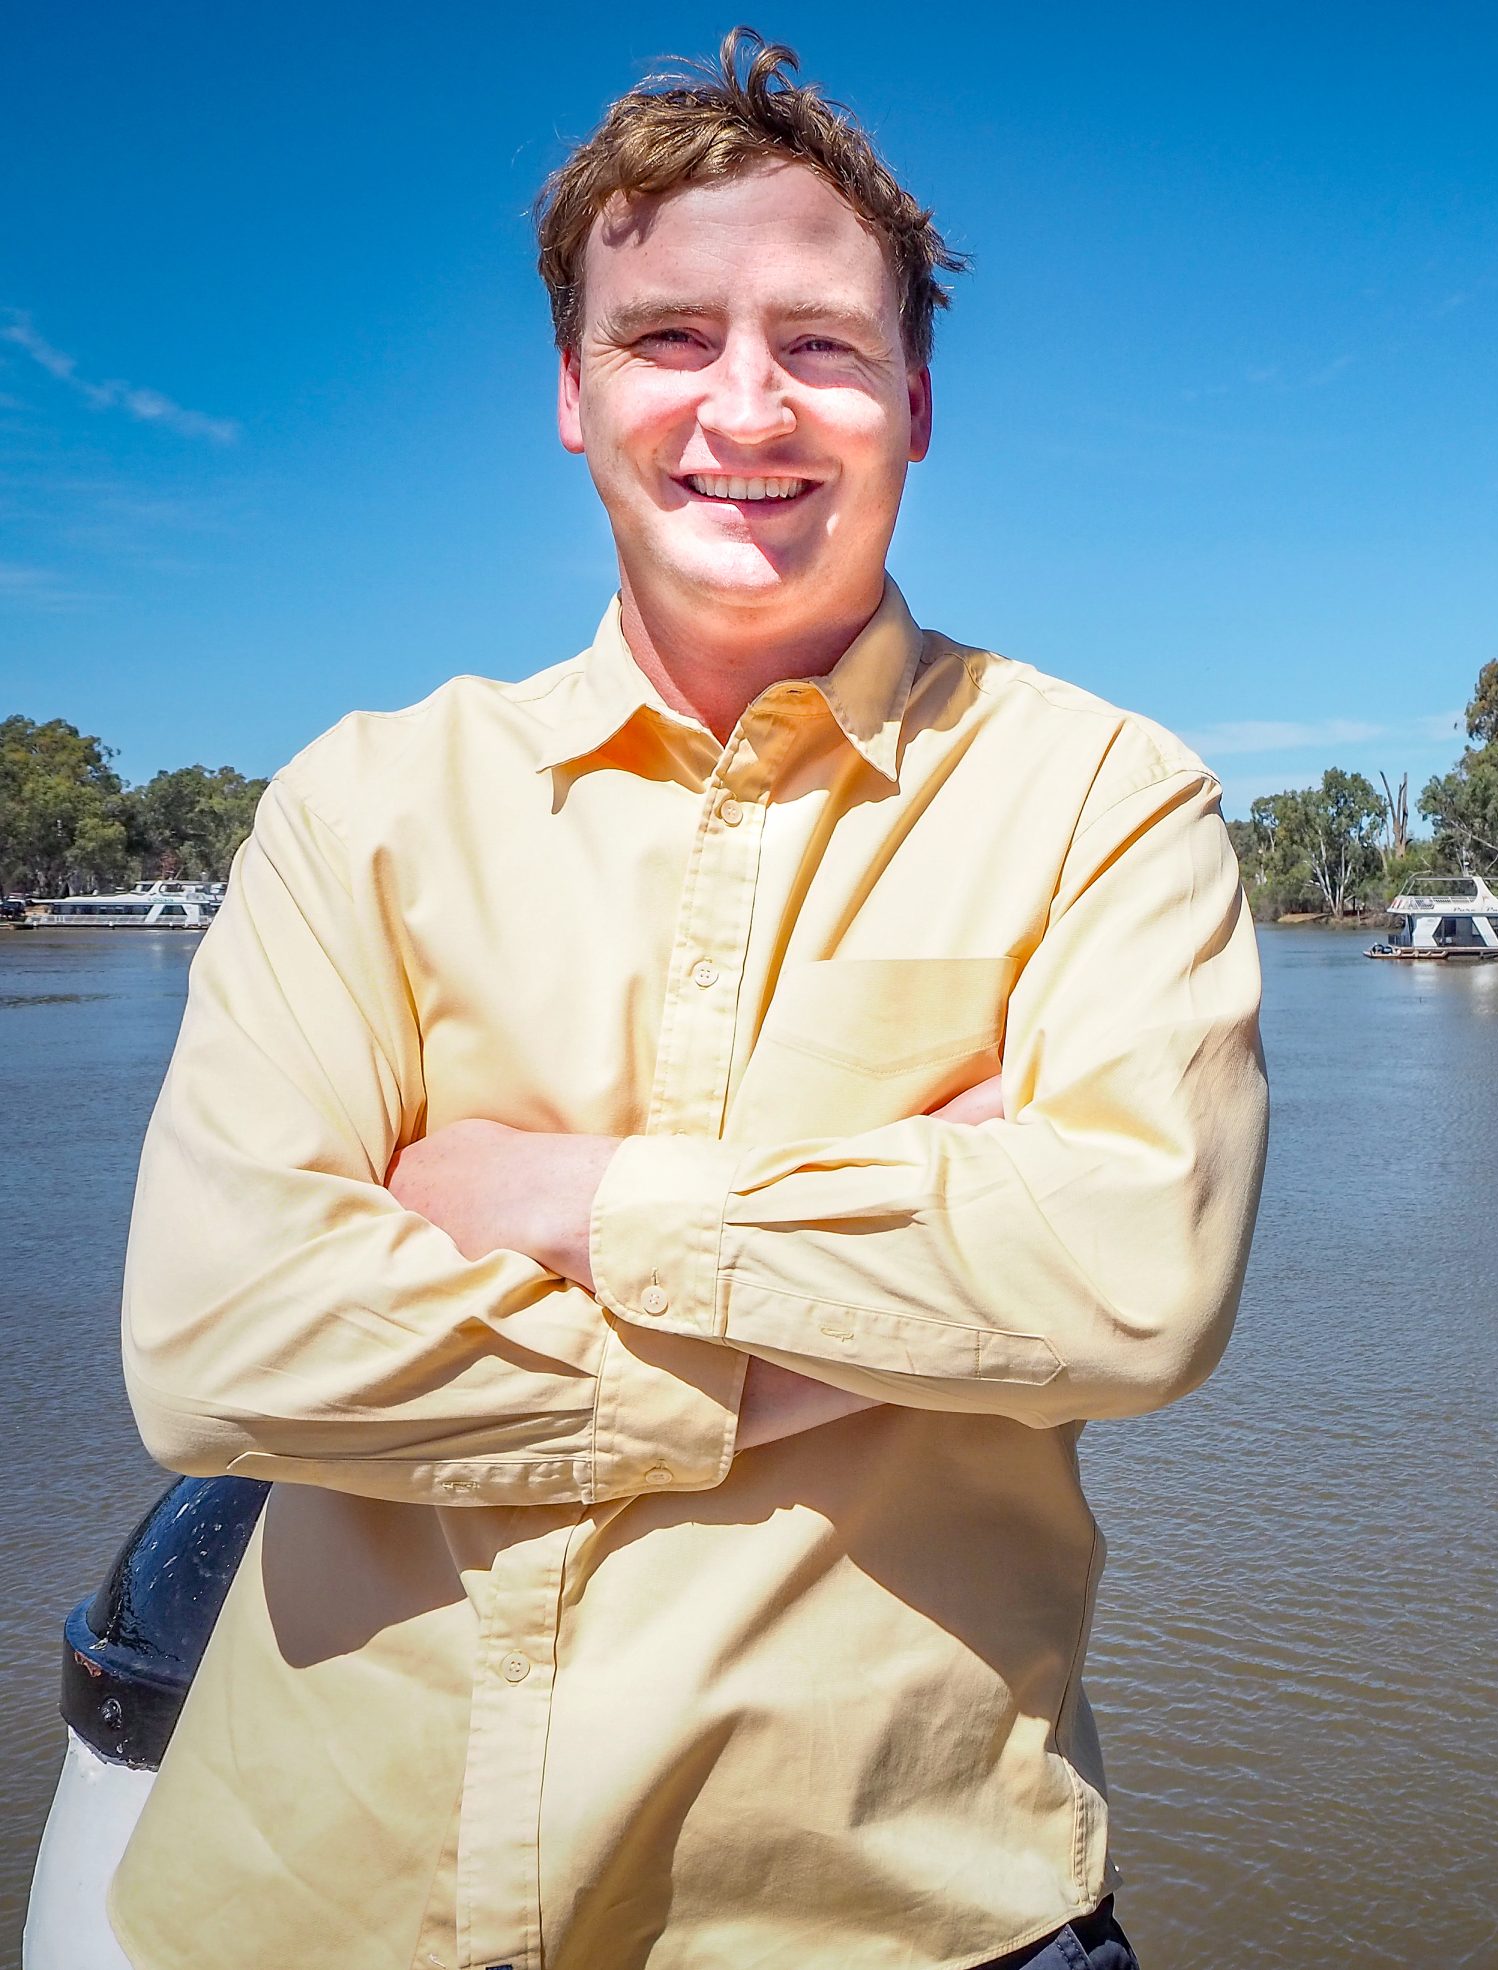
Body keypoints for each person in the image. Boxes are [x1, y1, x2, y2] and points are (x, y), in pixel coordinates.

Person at [111, 29, 1266, 1970]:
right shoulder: (370, 803)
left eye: (818, 343)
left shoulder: (1098, 799)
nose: (747, 405)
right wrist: (848, 1304)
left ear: (912, 395)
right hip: (318, 1904)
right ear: (571, 390)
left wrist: (568, 1201)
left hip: (894, 1918)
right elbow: (220, 1341)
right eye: (667, 338)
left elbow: (1133, 1271)